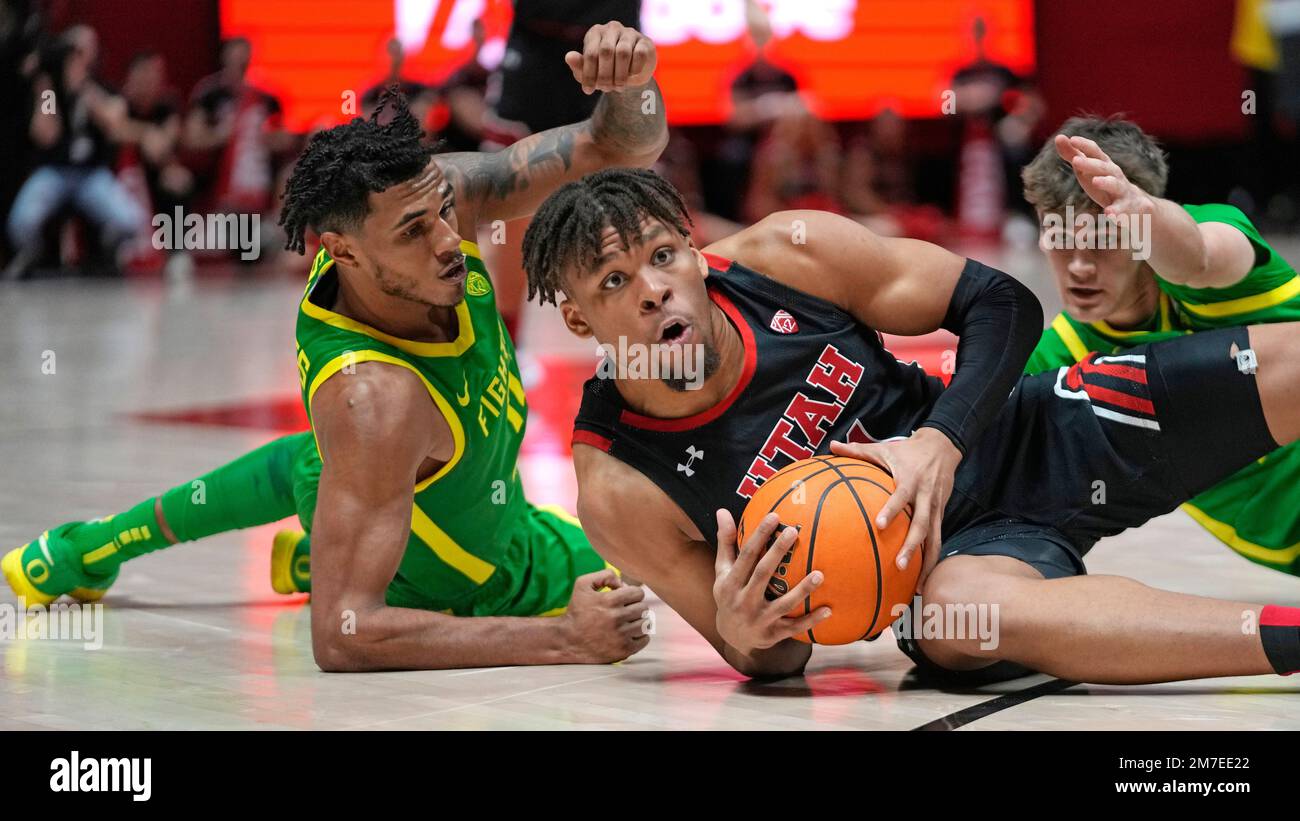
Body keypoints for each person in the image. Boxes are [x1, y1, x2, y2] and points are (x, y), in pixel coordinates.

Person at [3, 21, 669, 673]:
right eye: (415, 230)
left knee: (314, 462)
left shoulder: (434, 196)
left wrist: (634, 85)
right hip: (471, 584)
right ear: (341, 250)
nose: (448, 240)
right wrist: (563, 640)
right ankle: (314, 553)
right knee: (348, 458)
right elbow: (345, 634)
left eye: (441, 213)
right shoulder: (373, 402)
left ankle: (103, 546)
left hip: (489, 514)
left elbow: (615, 145)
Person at [519, 166, 1300, 685]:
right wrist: (747, 627)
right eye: (616, 281)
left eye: (662, 256)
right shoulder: (619, 483)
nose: (654, 290)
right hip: (943, 573)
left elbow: (1002, 302)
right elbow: (773, 657)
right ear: (583, 318)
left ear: (694, 251)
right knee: (965, 613)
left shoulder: (786, 258)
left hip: (1018, 434)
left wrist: (940, 439)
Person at [1023, 115, 1300, 576]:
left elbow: (1197, 257)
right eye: (1059, 239)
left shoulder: (1214, 234)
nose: (1079, 267)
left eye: (1103, 241)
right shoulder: (1052, 359)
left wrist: (1138, 210)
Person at [4, 26, 143, 279]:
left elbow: (114, 121)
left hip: (91, 175)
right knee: (21, 222)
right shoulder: (49, 90)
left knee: (130, 221)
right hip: (54, 172)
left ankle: (107, 253)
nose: (82, 57)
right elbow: (46, 135)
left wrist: (84, 90)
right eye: (76, 51)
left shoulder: (99, 87)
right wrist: (45, 89)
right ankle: (30, 257)